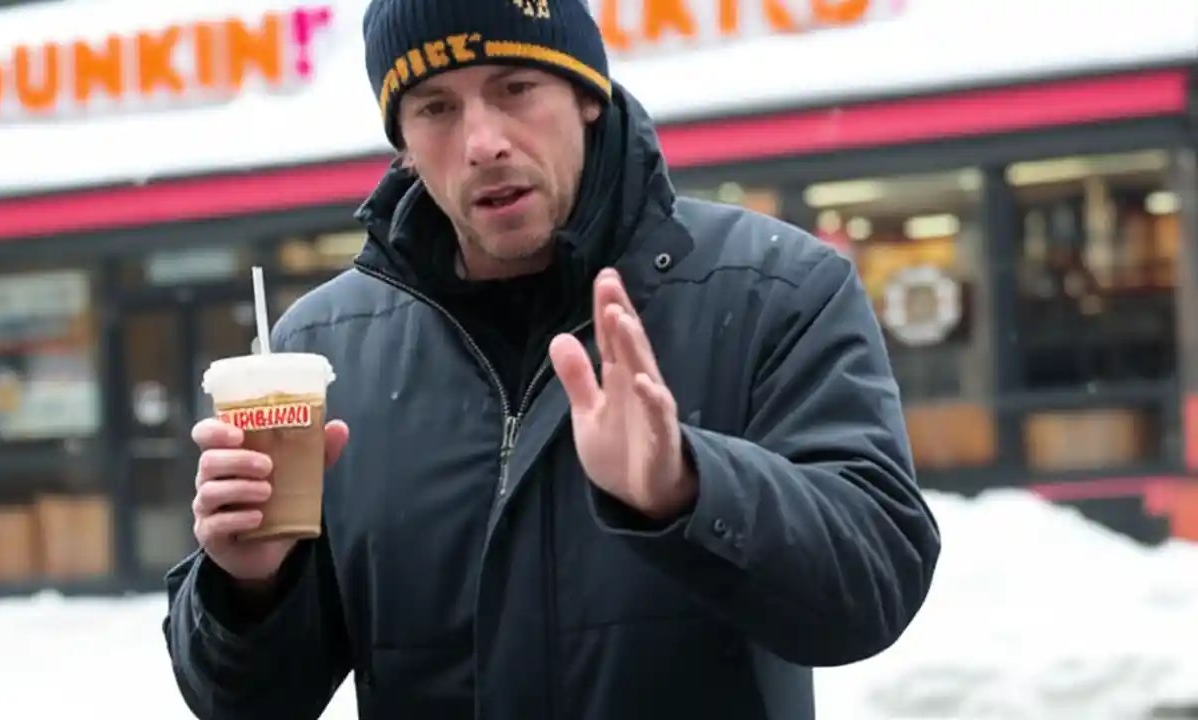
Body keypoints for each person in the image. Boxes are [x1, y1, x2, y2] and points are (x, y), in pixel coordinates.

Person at [163, 0, 942, 717]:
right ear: (401, 145)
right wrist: (249, 587)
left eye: (515, 87)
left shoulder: (776, 289)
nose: (483, 142)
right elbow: (248, 704)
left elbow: (873, 587)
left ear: (587, 93)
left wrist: (689, 488)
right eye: (436, 107)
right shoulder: (323, 352)